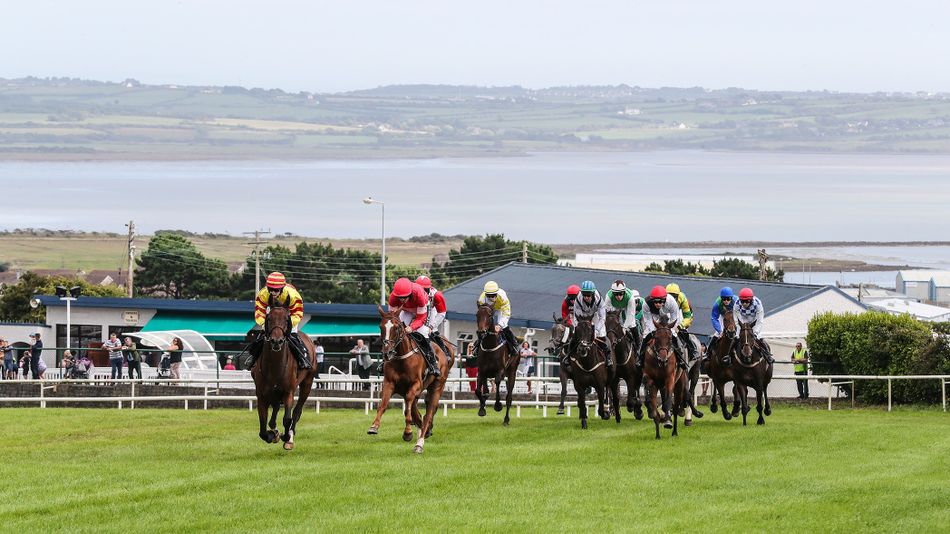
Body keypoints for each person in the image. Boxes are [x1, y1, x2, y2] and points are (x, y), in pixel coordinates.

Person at [248, 272, 311, 370]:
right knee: (260, 337)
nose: (273, 292)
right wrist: (264, 324)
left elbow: (297, 313)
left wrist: (286, 326)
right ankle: (253, 359)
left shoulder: (293, 295)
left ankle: (302, 359)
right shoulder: (263, 294)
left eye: (276, 290)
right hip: (271, 314)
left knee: (293, 336)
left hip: (290, 315)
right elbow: (259, 312)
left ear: (282, 288)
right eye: (270, 289)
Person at [389, 277, 440, 378]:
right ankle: (387, 359)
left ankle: (432, 363)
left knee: (423, 332)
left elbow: (421, 318)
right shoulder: (393, 297)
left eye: (405, 297)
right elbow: (393, 317)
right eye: (400, 298)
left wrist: (412, 327)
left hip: (421, 309)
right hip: (406, 311)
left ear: (410, 293)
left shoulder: (419, 294)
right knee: (396, 331)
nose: (402, 300)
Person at [637, 285, 688, 369]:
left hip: (667, 316)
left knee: (674, 335)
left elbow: (674, 318)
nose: (658, 304)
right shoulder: (646, 304)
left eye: (660, 302)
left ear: (664, 300)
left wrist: (670, 330)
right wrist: (653, 331)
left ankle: (680, 358)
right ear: (652, 300)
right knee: (646, 335)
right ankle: (640, 358)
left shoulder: (671, 301)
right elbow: (648, 320)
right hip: (654, 316)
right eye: (655, 302)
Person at [572, 280, 612, 370]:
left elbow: (603, 318)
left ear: (593, 294)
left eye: (588, 295)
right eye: (584, 294)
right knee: (576, 335)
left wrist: (596, 330)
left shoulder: (599, 299)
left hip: (596, 315)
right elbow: (577, 317)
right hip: (583, 316)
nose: (586, 297)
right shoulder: (578, 299)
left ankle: (608, 357)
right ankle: (569, 356)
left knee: (602, 335)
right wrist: (578, 329)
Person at [476, 281, 520, 357]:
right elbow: (483, 315)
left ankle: (514, 344)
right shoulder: (482, 300)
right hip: (489, 309)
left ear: (496, 293)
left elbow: (506, 313)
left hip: (501, 308)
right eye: (488, 295)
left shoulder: (503, 297)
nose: (490, 297)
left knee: (504, 325)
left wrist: (499, 325)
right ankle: (477, 345)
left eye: (493, 295)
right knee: (483, 327)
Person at [734, 288, 774, 363]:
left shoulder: (758, 304)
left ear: (751, 300)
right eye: (742, 301)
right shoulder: (736, 304)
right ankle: (728, 356)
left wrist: (755, 333)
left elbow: (760, 321)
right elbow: (736, 321)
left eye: (747, 301)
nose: (744, 304)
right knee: (736, 338)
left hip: (754, 320)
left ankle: (767, 355)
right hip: (743, 319)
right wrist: (738, 331)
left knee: (759, 338)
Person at [416, 276, 451, 357]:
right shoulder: (413, 292)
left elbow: (442, 313)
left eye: (425, 289)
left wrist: (431, 326)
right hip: (419, 309)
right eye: (420, 289)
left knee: (431, 329)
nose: (422, 292)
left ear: (429, 288)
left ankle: (445, 352)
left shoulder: (437, 295)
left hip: (432, 309)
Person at [666, 283, 698, 365]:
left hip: (680, 313)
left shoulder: (683, 298)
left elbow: (688, 317)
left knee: (682, 331)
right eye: (670, 296)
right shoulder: (663, 298)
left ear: (678, 295)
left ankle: (693, 350)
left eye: (674, 296)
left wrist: (680, 326)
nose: (672, 298)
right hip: (668, 313)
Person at [605, 280, 643, 345]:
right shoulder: (608, 297)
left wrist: (624, 328)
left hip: (626, 306)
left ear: (624, 292)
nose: (618, 296)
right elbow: (608, 314)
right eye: (616, 294)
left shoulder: (630, 297)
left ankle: (638, 346)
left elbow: (630, 315)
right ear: (612, 293)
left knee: (632, 324)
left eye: (620, 294)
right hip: (614, 307)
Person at [709, 286, 737, 364]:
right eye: (724, 299)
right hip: (723, 316)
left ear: (731, 298)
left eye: (728, 299)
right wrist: (720, 330)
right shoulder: (717, 304)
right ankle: (708, 353)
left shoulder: (737, 301)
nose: (726, 301)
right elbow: (714, 318)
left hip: (735, 317)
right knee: (717, 334)